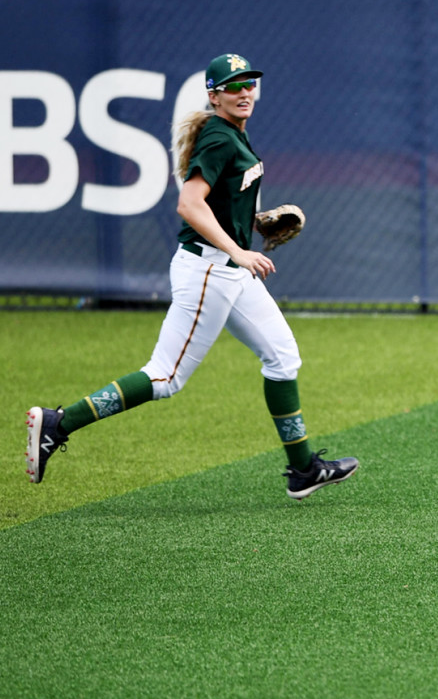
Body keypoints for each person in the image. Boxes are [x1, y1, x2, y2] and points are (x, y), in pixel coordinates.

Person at [26, 53, 359, 500]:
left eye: (248, 83)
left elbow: (219, 201)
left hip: (228, 270)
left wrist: (252, 223)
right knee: (165, 377)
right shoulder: (220, 137)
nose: (244, 92)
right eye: (233, 85)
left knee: (282, 357)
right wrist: (239, 249)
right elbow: (189, 203)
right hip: (208, 270)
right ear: (214, 94)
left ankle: (303, 471)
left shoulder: (231, 134)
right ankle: (58, 422)